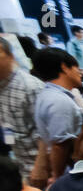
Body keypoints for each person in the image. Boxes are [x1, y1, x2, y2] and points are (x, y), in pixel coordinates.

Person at [30, 48, 83, 189]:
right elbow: (60, 144)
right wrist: (57, 177)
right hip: (70, 172)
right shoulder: (58, 101)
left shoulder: (48, 95)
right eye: (76, 68)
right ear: (64, 67)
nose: (80, 72)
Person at [0, 37, 46, 181]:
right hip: (19, 166)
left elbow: (46, 133)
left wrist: (40, 169)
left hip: (38, 169)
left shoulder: (29, 87)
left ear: (11, 57)